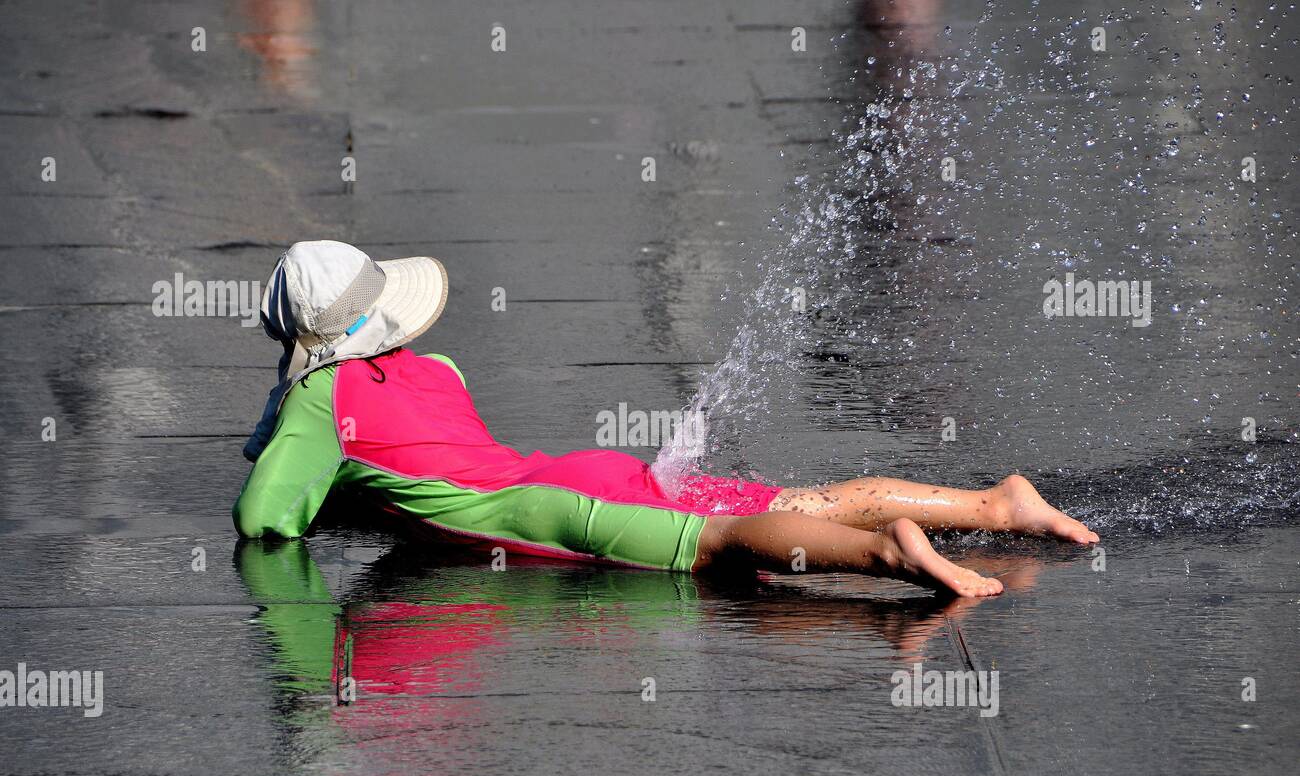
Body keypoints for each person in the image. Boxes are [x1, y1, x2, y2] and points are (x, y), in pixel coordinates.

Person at [233, 241, 1098, 597]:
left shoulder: (319, 399)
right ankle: (994, 506)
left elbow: (265, 521)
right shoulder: (430, 367)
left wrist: (301, 451)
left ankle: (892, 553)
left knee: (722, 544)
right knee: (799, 498)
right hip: (589, 473)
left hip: (549, 516)